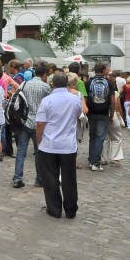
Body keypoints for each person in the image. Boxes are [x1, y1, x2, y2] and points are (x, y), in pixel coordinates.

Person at [36, 72, 83, 219]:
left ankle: (54, 208)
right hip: (68, 145)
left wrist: (39, 141)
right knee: (69, 179)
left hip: (49, 144)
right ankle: (70, 209)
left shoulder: (47, 100)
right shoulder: (75, 100)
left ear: (52, 84)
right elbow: (77, 115)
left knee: (50, 178)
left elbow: (40, 124)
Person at [12, 61, 50, 188]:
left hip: (24, 122)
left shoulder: (25, 84)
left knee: (21, 151)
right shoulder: (45, 87)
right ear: (44, 74)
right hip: (39, 124)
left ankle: (17, 178)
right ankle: (39, 179)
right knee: (39, 152)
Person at [86, 62, 118, 172]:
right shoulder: (109, 83)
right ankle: (96, 163)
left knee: (92, 137)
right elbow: (113, 101)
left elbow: (86, 99)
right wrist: (112, 114)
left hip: (91, 113)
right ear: (103, 70)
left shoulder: (89, 82)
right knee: (100, 138)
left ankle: (91, 160)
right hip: (104, 113)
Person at [101, 71, 125, 166]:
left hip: (103, 115)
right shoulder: (115, 93)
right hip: (113, 115)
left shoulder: (102, 92)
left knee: (105, 138)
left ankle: (103, 158)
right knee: (116, 137)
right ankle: (115, 158)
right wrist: (121, 116)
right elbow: (118, 107)